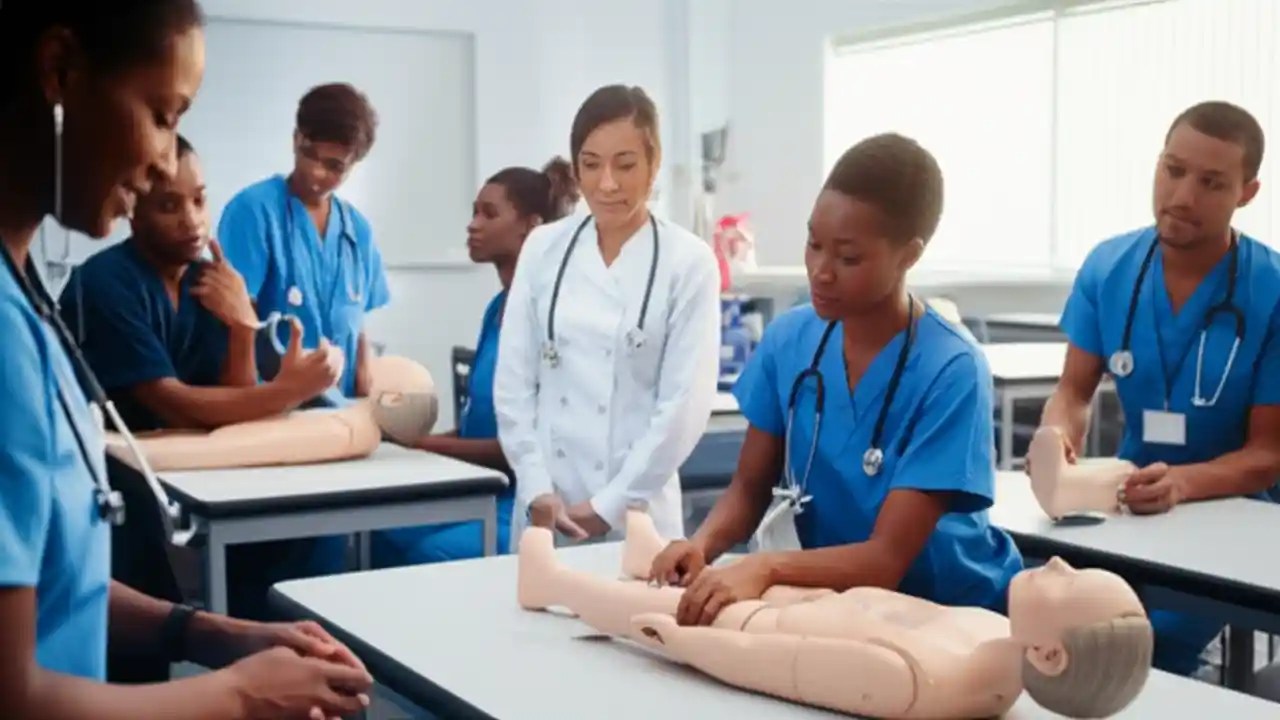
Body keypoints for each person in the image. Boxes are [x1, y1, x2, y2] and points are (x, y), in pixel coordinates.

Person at [0, 2, 373, 718]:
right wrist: (238, 695)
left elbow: (51, 581)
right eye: (164, 115)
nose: (167, 162)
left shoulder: (29, 302)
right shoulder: (57, 309)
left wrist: (212, 633)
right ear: (59, 72)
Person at [648, 133, 1023, 626]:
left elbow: (887, 558)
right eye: (814, 244)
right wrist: (701, 546)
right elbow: (749, 486)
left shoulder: (951, 370)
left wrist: (764, 567)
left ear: (909, 255)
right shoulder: (790, 341)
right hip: (836, 604)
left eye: (848, 258)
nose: (820, 272)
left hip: (948, 611)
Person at [1038, 100, 1280, 677]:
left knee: (1148, 646)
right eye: (1173, 170)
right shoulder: (1110, 266)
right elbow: (1074, 391)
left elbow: (1268, 455)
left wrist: (1183, 484)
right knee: (1061, 623)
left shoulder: (1270, 289)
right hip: (1128, 495)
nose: (1183, 196)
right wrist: (1054, 437)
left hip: (1237, 509)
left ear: (1247, 193)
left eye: (1211, 182)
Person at [495, 84, 722, 544]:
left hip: (637, 518)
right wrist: (535, 485)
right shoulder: (543, 247)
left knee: (631, 616)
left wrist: (609, 506)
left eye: (625, 164)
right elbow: (514, 382)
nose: (607, 184)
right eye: (591, 164)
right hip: (547, 512)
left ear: (654, 163)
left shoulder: (689, 261)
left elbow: (683, 408)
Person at [372, 157, 579, 566]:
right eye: (474, 211)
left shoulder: (550, 316)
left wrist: (423, 445)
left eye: (489, 213)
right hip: (478, 488)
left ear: (531, 227)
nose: (473, 224)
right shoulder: (497, 309)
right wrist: (399, 439)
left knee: (430, 554)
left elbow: (520, 449)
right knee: (379, 532)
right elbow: (476, 427)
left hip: (524, 502)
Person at [59, 134, 341, 432]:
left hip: (194, 465)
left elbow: (236, 405)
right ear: (134, 214)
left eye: (199, 200)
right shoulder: (104, 283)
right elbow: (176, 408)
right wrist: (291, 391)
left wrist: (242, 326)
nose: (192, 221)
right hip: (118, 464)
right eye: (169, 206)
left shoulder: (210, 281)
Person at [217, 82, 390, 402]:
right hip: (273, 407)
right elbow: (234, 318)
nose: (314, 173)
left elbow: (357, 317)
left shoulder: (358, 232)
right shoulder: (254, 212)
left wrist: (366, 372)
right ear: (296, 137)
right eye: (308, 153)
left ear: (354, 164)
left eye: (335, 166)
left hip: (344, 410)